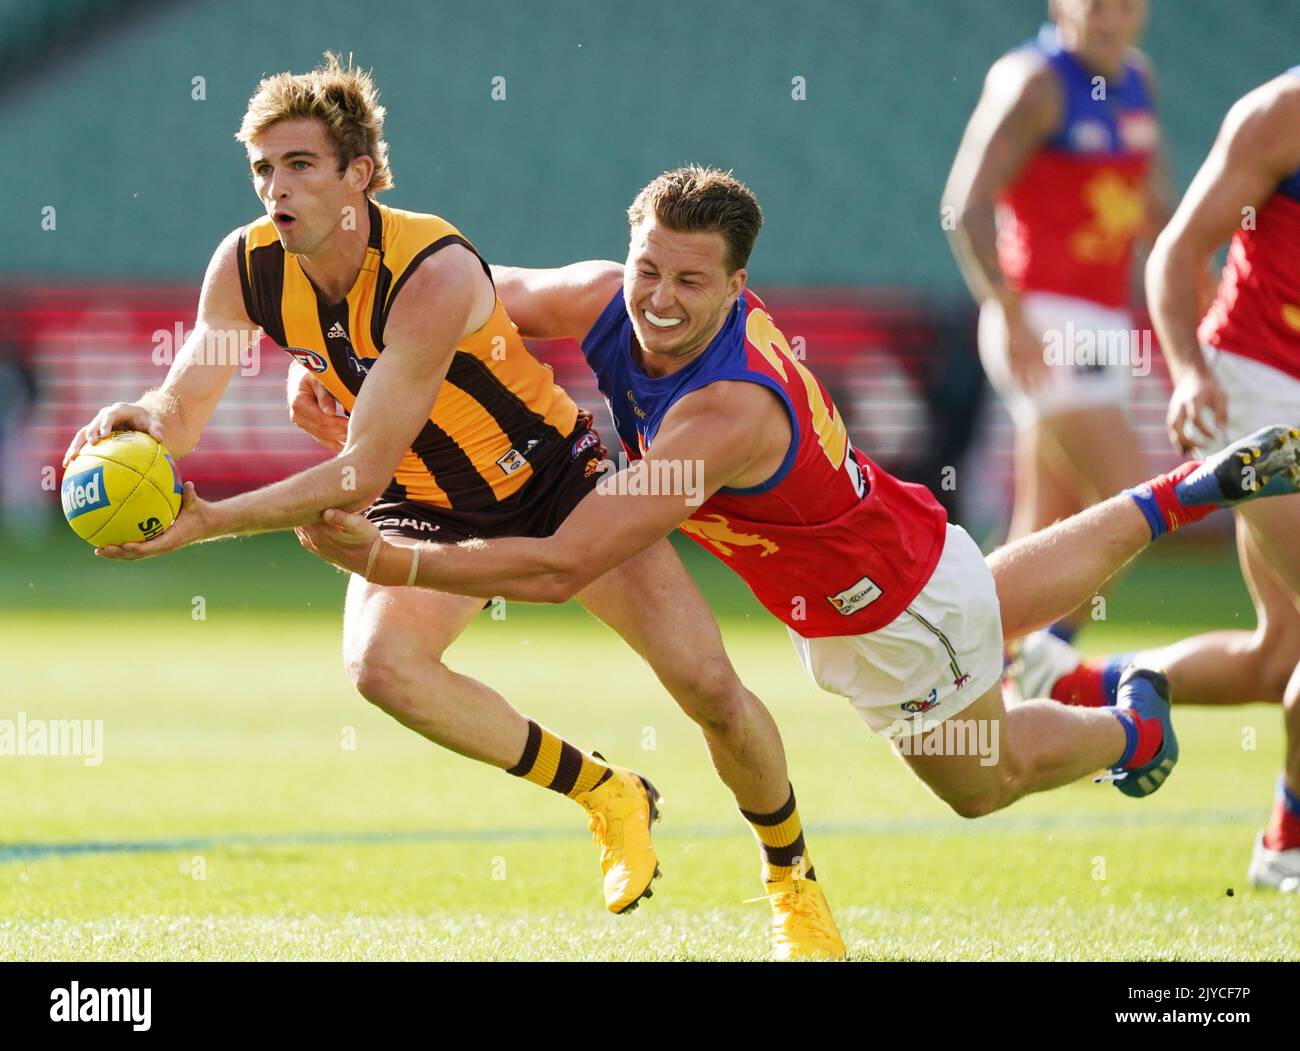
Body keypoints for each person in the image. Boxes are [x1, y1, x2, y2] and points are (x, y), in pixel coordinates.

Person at [60, 56, 843, 959]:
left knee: (709, 687)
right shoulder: (244, 266)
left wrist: (205, 520)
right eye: (262, 168)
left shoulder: (430, 271)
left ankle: (791, 878)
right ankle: (603, 790)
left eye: (301, 165)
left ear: (360, 174)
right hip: (426, 502)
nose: (276, 187)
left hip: (554, 481)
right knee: (381, 666)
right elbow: (190, 392)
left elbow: (356, 471)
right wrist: (150, 420)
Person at [293, 166, 1300, 861]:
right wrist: (350, 353)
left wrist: (400, 562)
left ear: (738, 287)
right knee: (987, 602)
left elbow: (560, 564)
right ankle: (1182, 499)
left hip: (885, 604)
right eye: (648, 269)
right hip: (882, 551)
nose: (659, 299)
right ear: (626, 255)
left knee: (984, 780)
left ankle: (1131, 726)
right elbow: (469, 295)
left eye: (692, 282)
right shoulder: (606, 296)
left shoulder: (721, 416)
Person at [1008, 68, 1300, 892]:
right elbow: (1175, 254)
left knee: (1280, 660)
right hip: (1253, 389)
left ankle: (1107, 681)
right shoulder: (1281, 113)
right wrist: (1187, 374)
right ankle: (1287, 849)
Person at [942, 0, 1167, 641]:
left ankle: (976, 656)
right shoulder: (1035, 80)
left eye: (1124, 4)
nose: (1109, 16)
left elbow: (1149, 194)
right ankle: (1043, 656)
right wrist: (1009, 312)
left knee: (1044, 525)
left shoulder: (1136, 78)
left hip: (1104, 321)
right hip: (1044, 320)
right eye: (1095, 4)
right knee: (1131, 498)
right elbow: (966, 203)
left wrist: (1189, 267)